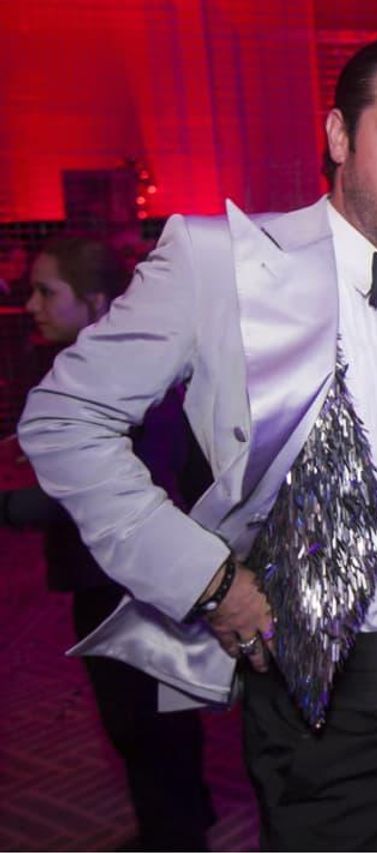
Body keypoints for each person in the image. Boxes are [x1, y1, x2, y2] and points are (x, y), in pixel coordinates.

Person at [19, 35, 377, 851]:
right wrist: (209, 578)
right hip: (337, 720)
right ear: (338, 136)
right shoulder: (219, 263)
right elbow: (63, 418)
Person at [0, 235, 215, 851]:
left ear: (95, 302)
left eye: (47, 292)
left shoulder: (116, 380)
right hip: (119, 577)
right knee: (151, 722)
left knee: (147, 723)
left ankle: (174, 836)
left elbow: (97, 486)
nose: (32, 304)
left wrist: (11, 507)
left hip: (125, 582)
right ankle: (176, 827)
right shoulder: (97, 370)